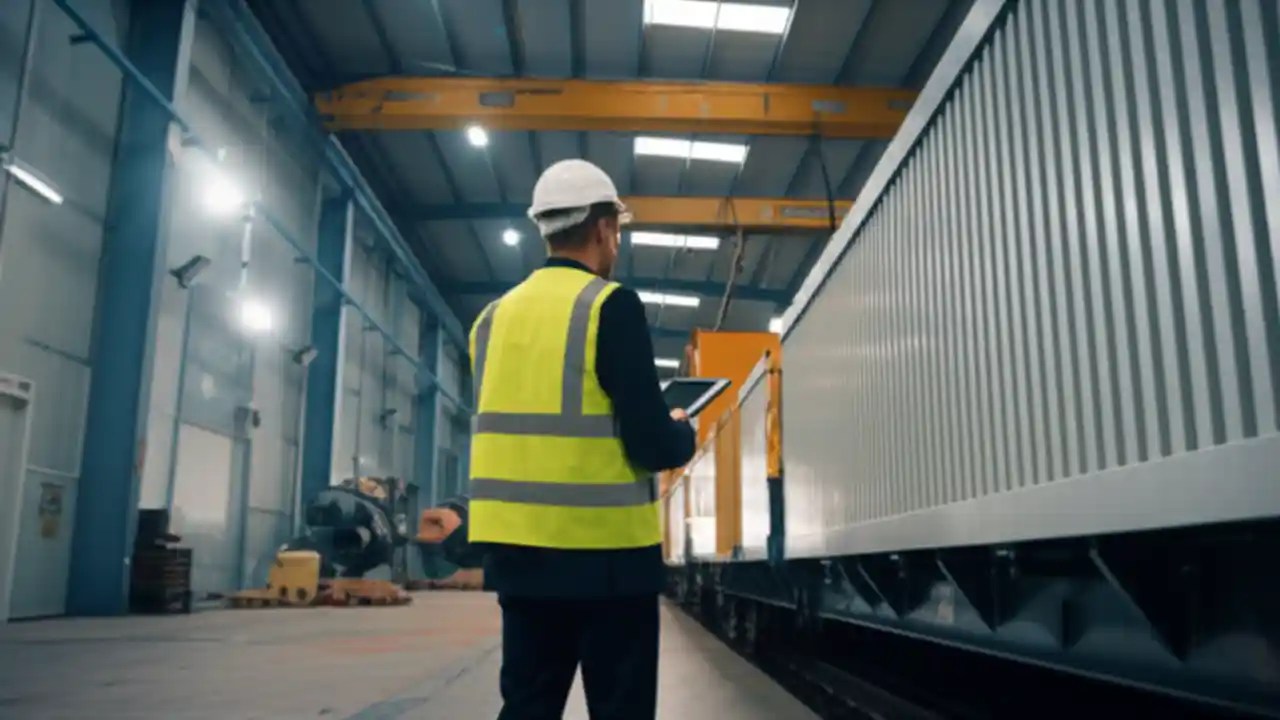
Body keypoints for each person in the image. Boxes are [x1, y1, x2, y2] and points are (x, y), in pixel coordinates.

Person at [466, 158, 697, 719]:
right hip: (608, 562)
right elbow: (650, 445)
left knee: (527, 707)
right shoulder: (609, 306)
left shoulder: (490, 320)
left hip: (519, 559)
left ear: (543, 228)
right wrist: (681, 432)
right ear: (603, 228)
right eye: (616, 230)